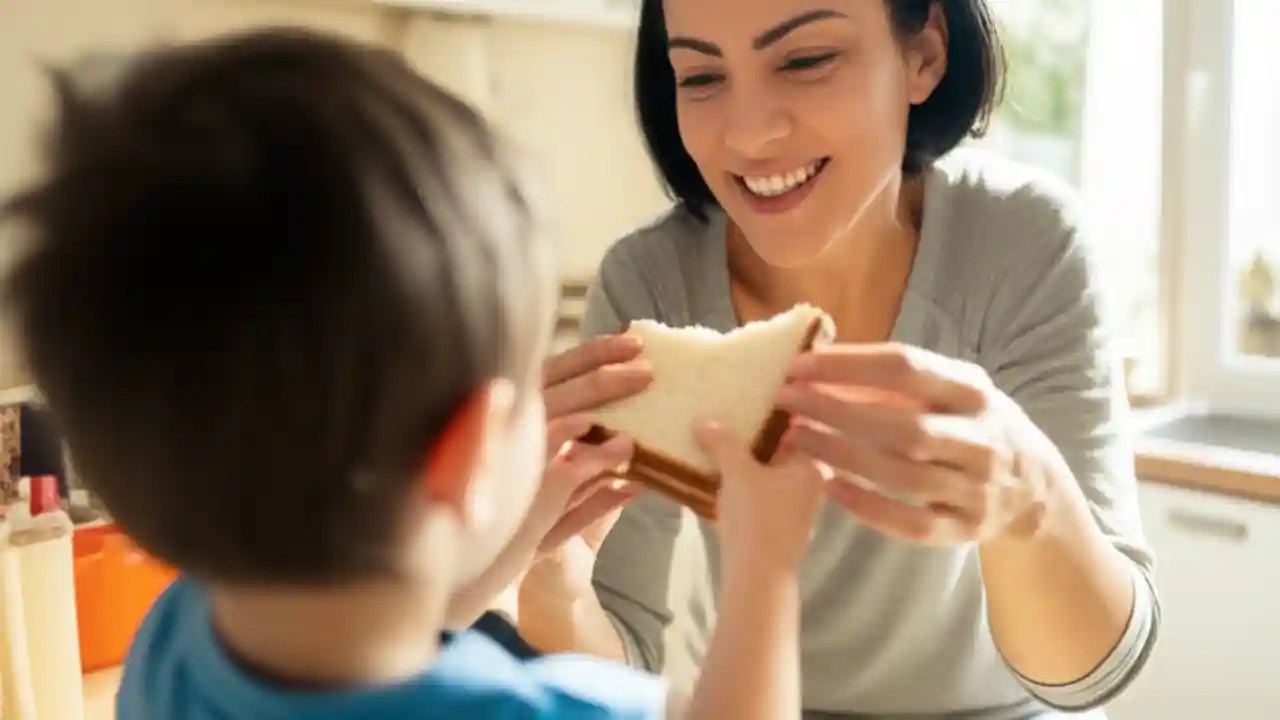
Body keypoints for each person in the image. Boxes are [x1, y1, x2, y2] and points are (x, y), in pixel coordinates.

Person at [0, 28, 826, 720]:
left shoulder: (177, 638)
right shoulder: (534, 709)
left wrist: (503, 548)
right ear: (466, 449)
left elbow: (365, 651)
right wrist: (764, 566)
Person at [519, 1, 1160, 718]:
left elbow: (1090, 672)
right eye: (700, 75)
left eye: (804, 60)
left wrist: (1030, 503)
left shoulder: (1024, 243)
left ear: (923, 56)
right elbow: (618, 678)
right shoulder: (650, 279)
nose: (749, 133)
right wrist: (553, 581)